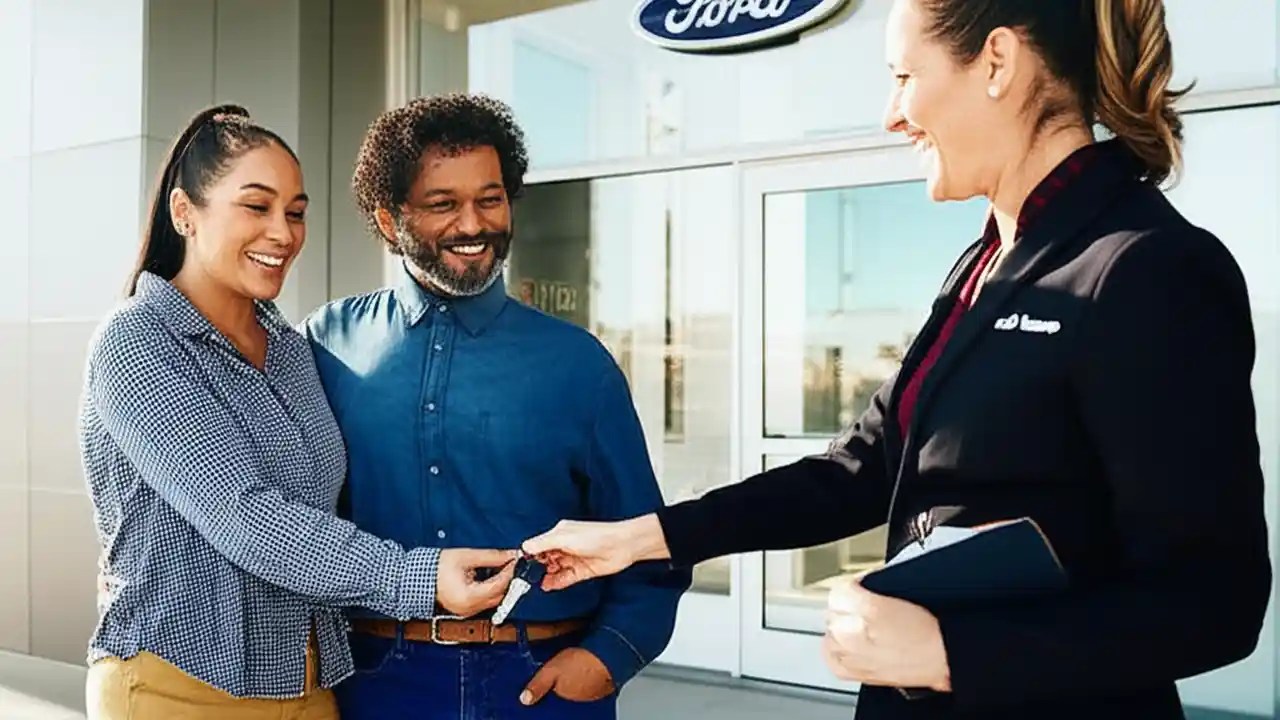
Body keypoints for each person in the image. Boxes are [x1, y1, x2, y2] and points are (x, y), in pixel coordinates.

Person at [521, 1, 1273, 718]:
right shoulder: (983, 265)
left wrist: (953, 653)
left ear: (998, 62)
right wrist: (633, 539)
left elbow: (1214, 601)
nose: (891, 113)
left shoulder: (1148, 268)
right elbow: (863, 469)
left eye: (904, 77)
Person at [80, 105, 517, 720]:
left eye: (296, 212)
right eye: (256, 207)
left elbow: (327, 501)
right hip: (176, 684)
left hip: (311, 680)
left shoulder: (290, 346)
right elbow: (244, 515)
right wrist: (421, 577)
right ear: (185, 213)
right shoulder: (138, 342)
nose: (283, 234)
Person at [303, 93, 691, 720]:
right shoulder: (326, 341)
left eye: (489, 198)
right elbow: (285, 512)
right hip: (377, 683)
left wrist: (607, 660)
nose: (472, 224)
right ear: (386, 219)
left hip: (541, 684)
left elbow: (647, 543)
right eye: (442, 204)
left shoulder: (578, 364)